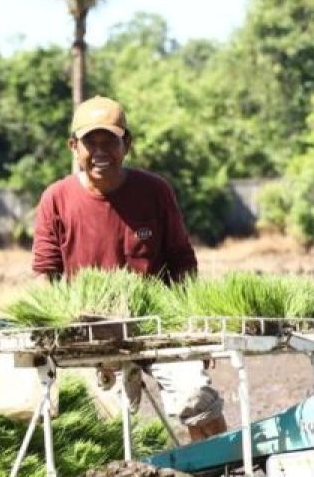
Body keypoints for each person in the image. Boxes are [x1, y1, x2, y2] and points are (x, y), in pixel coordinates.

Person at [32, 95, 227, 441]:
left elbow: (182, 262)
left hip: (157, 326)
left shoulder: (154, 191)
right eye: (90, 143)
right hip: (91, 336)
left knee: (197, 397)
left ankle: (220, 469)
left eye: (110, 141)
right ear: (73, 147)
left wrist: (194, 330)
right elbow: (45, 274)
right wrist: (57, 332)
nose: (100, 152)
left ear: (128, 145)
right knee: (102, 431)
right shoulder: (57, 198)